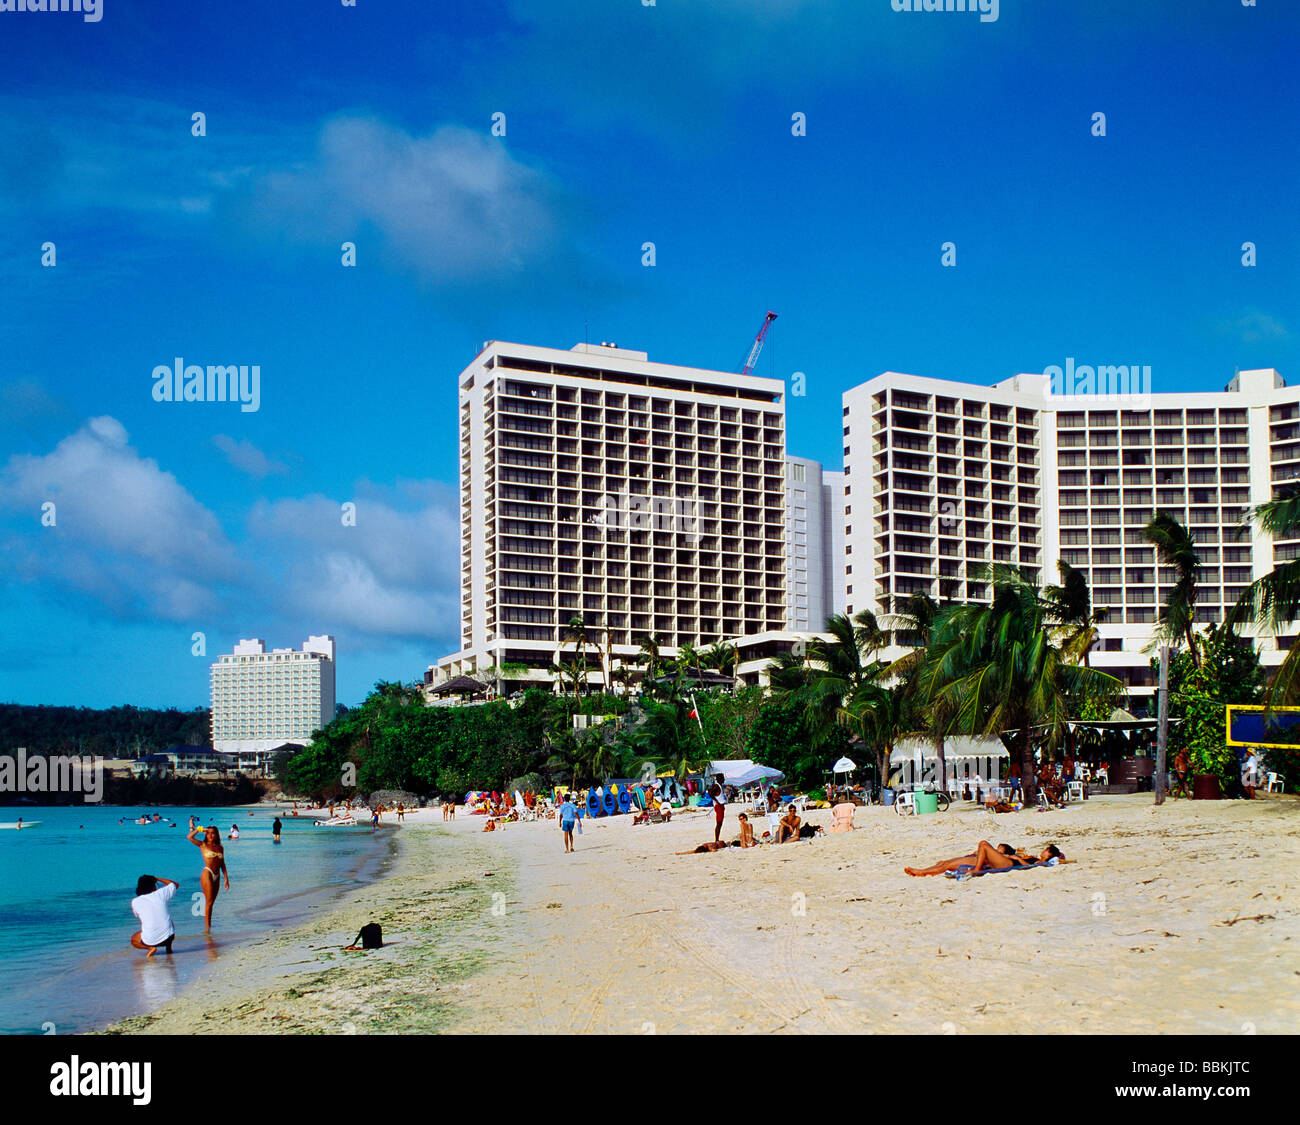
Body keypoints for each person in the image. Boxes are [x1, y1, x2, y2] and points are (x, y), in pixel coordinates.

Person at [905, 841, 1063, 877]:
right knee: (945, 864)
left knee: (983, 844)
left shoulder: (1039, 861)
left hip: (1008, 863)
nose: (1043, 851)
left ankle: (977, 869)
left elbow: (1029, 866)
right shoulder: (1032, 856)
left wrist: (1016, 858)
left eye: (1046, 850)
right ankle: (923, 871)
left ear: (1049, 854)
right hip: (1004, 860)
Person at [187, 825, 230, 932]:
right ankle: (207, 928)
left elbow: (222, 863)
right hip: (207, 873)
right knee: (209, 902)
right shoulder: (203, 844)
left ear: (217, 835)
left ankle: (208, 926)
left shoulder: (220, 847)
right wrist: (200, 829)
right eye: (208, 833)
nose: (210, 835)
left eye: (213, 833)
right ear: (205, 834)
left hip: (217, 875)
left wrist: (226, 878)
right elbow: (189, 837)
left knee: (211, 903)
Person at [130, 875, 178, 958]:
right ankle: (169, 949)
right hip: (169, 938)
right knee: (167, 921)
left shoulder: (135, 901)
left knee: (133, 939)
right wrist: (157, 878)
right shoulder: (160, 894)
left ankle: (150, 948)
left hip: (150, 941)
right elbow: (174, 884)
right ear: (153, 885)